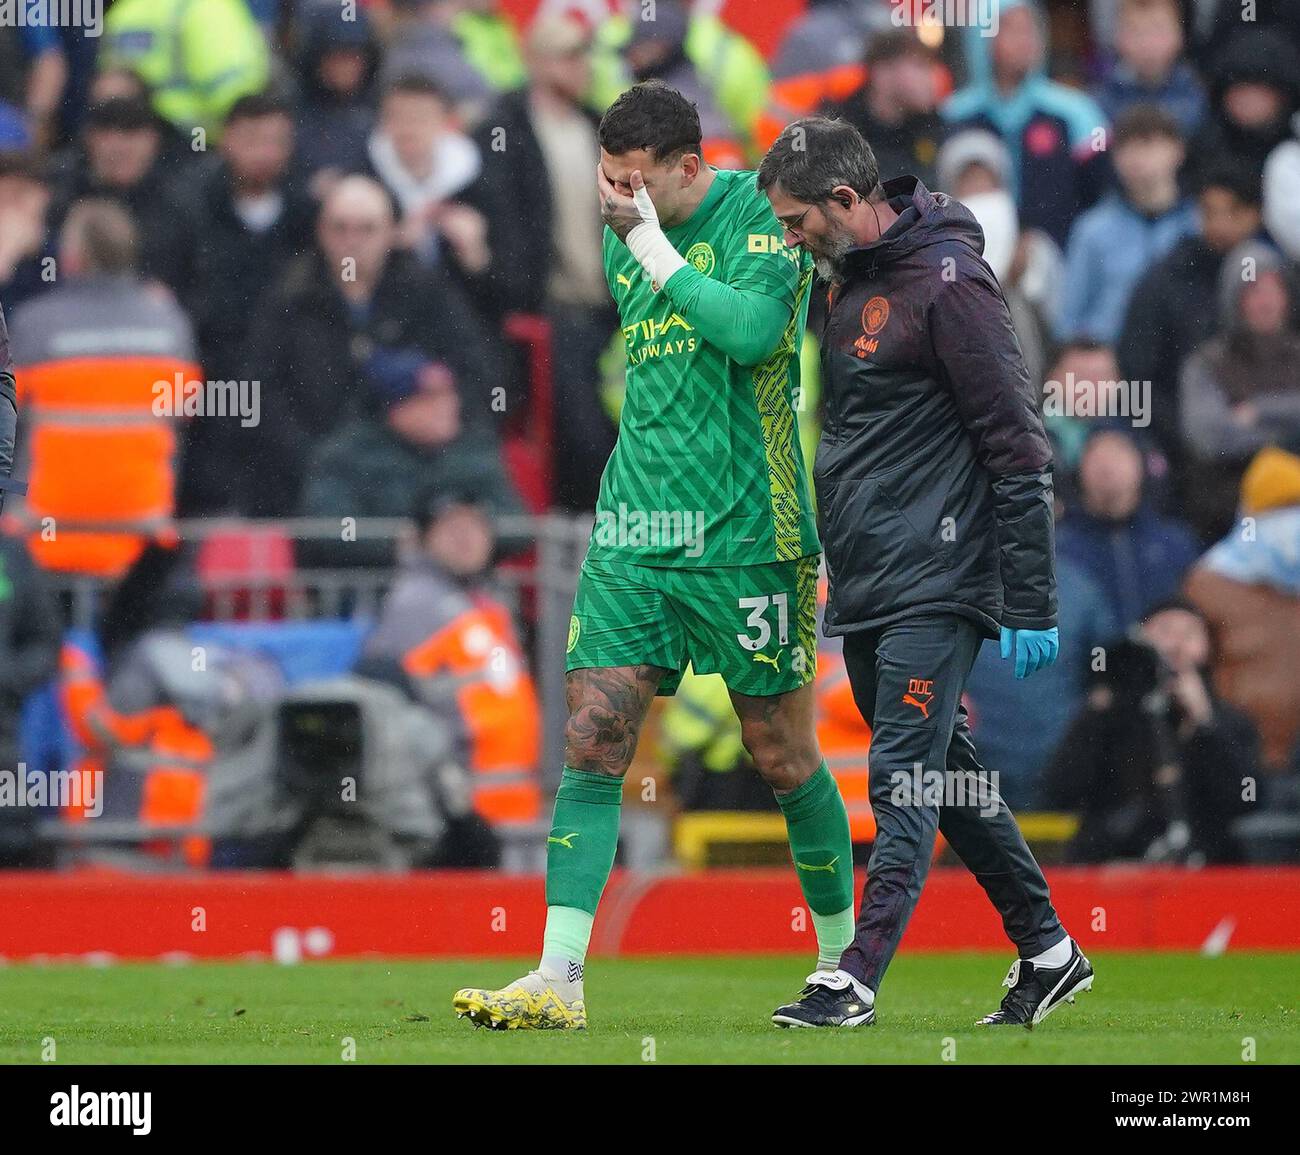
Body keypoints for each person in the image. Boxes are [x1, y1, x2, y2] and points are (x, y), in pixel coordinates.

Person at [454, 81, 854, 1031]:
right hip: (635, 531)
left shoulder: (763, 213)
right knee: (594, 740)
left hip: (751, 534)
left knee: (780, 751)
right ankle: (557, 977)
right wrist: (639, 232)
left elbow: (754, 335)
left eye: (635, 181)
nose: (617, 197)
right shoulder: (625, 229)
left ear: (690, 167)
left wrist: (649, 242)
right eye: (607, 179)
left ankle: (844, 963)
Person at [757, 116, 1092, 1030]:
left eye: (796, 223)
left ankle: (854, 977)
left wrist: (1031, 599)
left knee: (901, 776)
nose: (791, 241)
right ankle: (1050, 950)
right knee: (947, 776)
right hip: (871, 576)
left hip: (940, 576)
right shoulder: (849, 278)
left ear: (843, 200)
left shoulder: (952, 284)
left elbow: (1018, 446)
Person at [238, 175, 493, 514]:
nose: (352, 241)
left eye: (367, 229)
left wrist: (431, 427)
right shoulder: (289, 297)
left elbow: (475, 373)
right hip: (307, 481)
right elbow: (259, 393)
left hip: (414, 478)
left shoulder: (426, 293)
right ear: (320, 231)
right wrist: (317, 461)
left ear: (392, 232)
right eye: (340, 228)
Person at [8, 200, 200, 578]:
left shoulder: (34, 325)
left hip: (42, 533)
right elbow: (187, 418)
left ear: (72, 257)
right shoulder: (169, 323)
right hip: (142, 534)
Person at [472, 12, 615, 510]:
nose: (582, 66)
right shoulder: (503, 129)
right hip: (549, 311)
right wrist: (516, 288)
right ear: (537, 60)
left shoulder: (598, 127)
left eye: (584, 55)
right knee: (580, 436)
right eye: (569, 55)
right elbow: (501, 218)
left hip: (610, 309)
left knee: (618, 426)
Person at [361, 490, 541, 828]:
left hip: (510, 805)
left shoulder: (487, 601)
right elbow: (392, 707)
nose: (466, 538)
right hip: (460, 811)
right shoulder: (415, 605)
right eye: (451, 527)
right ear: (423, 538)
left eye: (475, 526)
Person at [1045, 598, 1258, 865]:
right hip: (1117, 864)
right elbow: (1059, 791)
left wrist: (1205, 724)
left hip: (1204, 865)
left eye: (1189, 634)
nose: (1176, 645)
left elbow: (1246, 798)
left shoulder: (1229, 722)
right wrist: (1102, 706)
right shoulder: (1110, 716)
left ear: (1208, 648)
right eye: (1164, 631)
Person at [941, 0, 1108, 248]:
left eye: (1029, 28)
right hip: (974, 259)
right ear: (981, 38)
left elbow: (1100, 197)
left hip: (1062, 258)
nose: (1024, 39)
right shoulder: (954, 115)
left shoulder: (1076, 112)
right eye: (1009, 29)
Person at [1180, 241, 1300, 542]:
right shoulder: (1207, 363)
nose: (1266, 302)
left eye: (1274, 289)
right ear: (1234, 299)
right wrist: (1285, 436)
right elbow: (1208, 437)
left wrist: (1259, 411)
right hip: (1230, 506)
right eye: (1254, 291)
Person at [1056, 104, 1196, 346]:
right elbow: (1068, 319)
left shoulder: (1198, 224)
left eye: (1147, 144)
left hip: (1184, 355)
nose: (1135, 157)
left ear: (1178, 150)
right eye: (1124, 147)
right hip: (1109, 356)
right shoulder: (1092, 229)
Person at [1056, 429, 1200, 629]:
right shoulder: (1060, 546)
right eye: (1095, 455)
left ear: (1140, 463)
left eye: (1118, 453)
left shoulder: (1175, 541)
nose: (1107, 465)